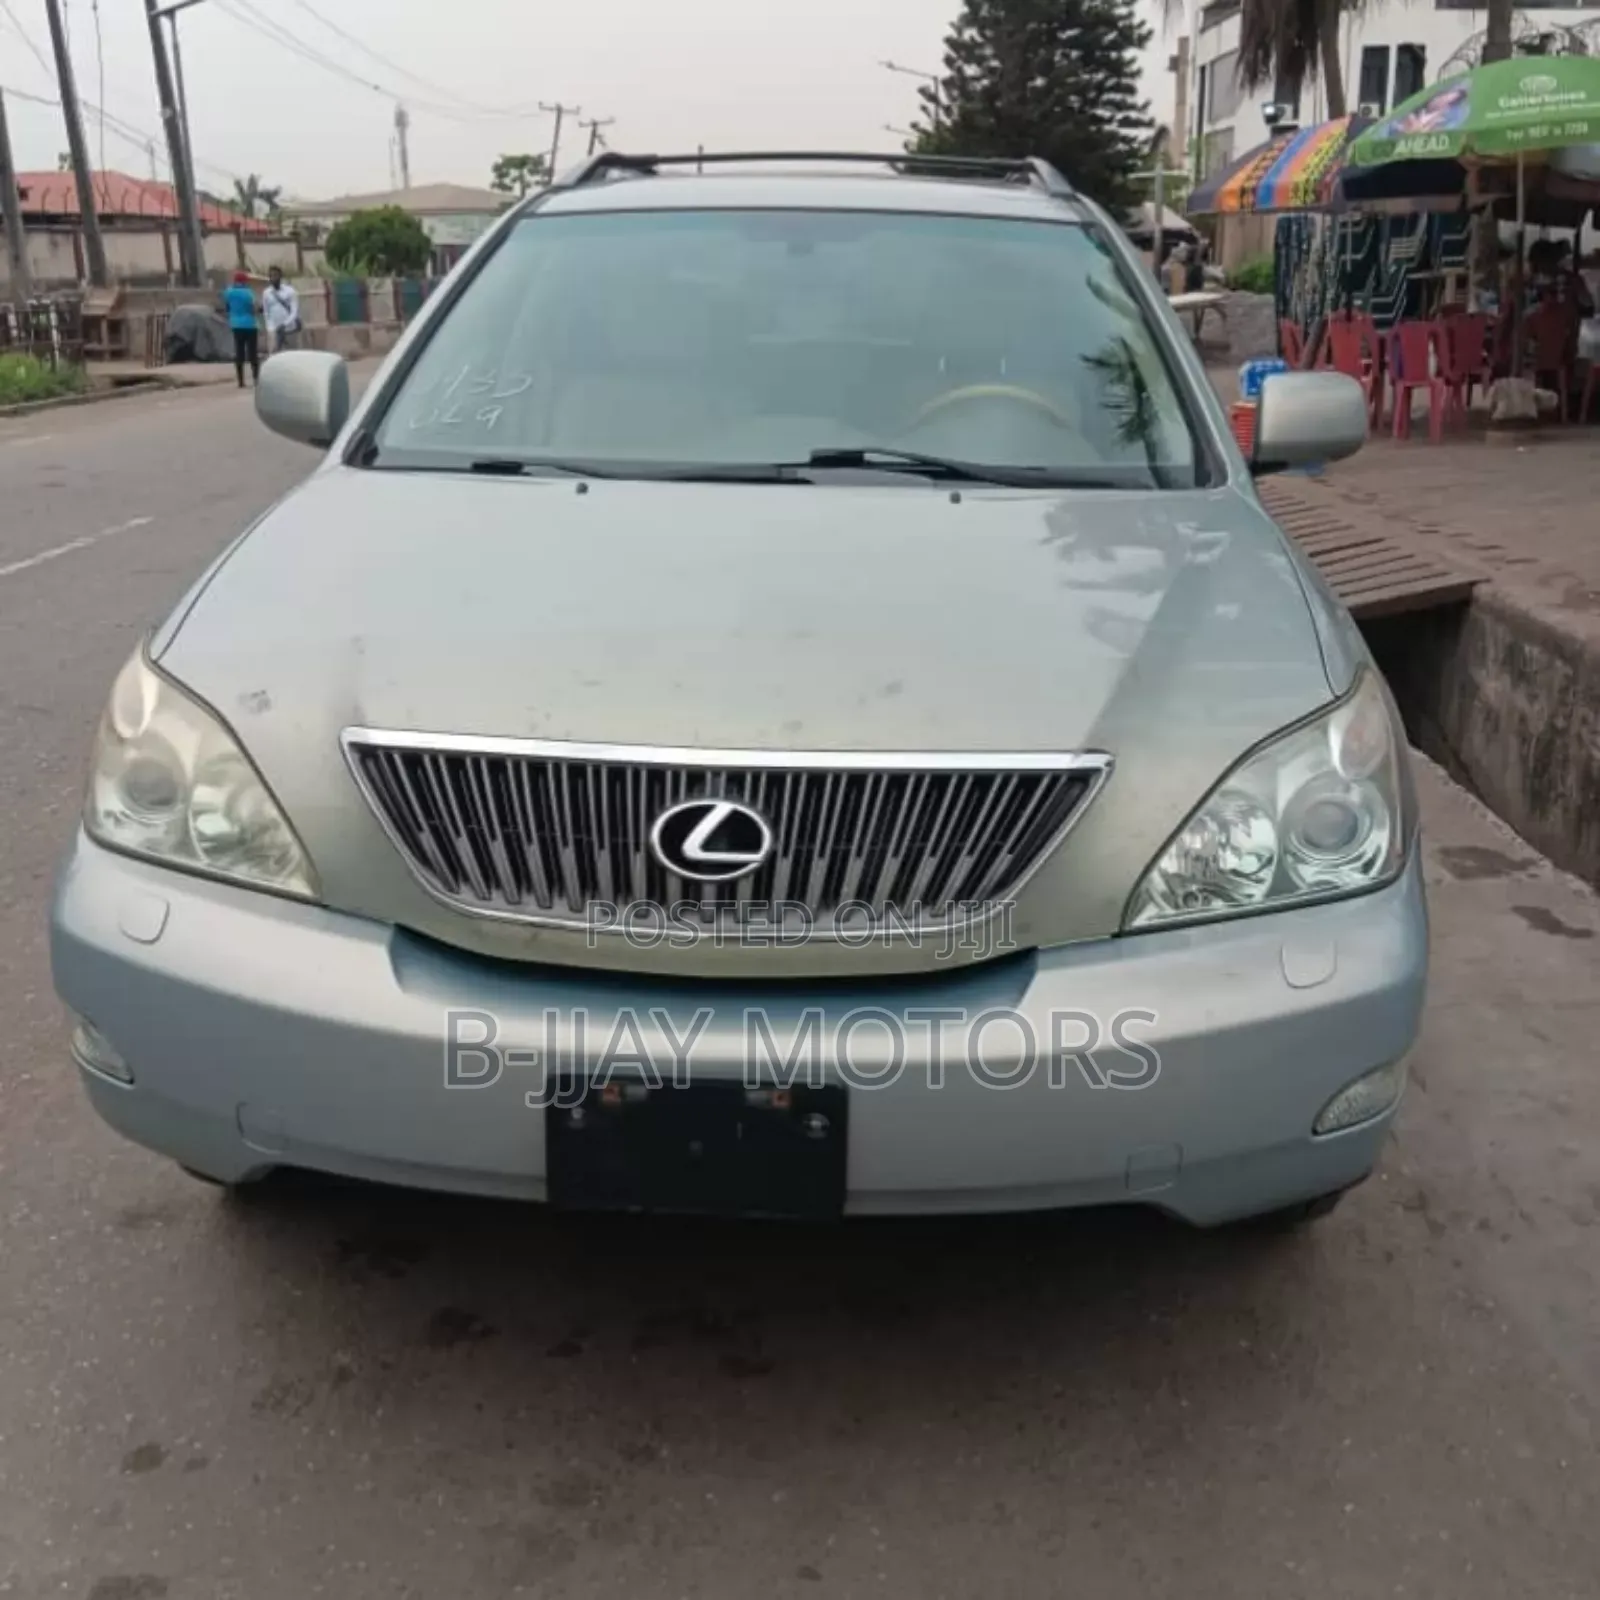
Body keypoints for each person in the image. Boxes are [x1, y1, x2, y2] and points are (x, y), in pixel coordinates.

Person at [221, 270, 260, 387]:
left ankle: (241, 381)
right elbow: (253, 309)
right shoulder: (249, 293)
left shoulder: (228, 292)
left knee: (239, 352)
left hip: (236, 325)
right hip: (250, 325)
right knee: (252, 352)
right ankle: (256, 378)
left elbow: (227, 307)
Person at [262, 265, 302, 354]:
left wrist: (284, 324)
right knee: (274, 353)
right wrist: (269, 327)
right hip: (274, 329)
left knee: (292, 353)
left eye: (275, 275)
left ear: (280, 276)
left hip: (289, 328)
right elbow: (266, 311)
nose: (273, 278)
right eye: (271, 276)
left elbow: (294, 311)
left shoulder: (290, 291)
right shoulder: (266, 293)